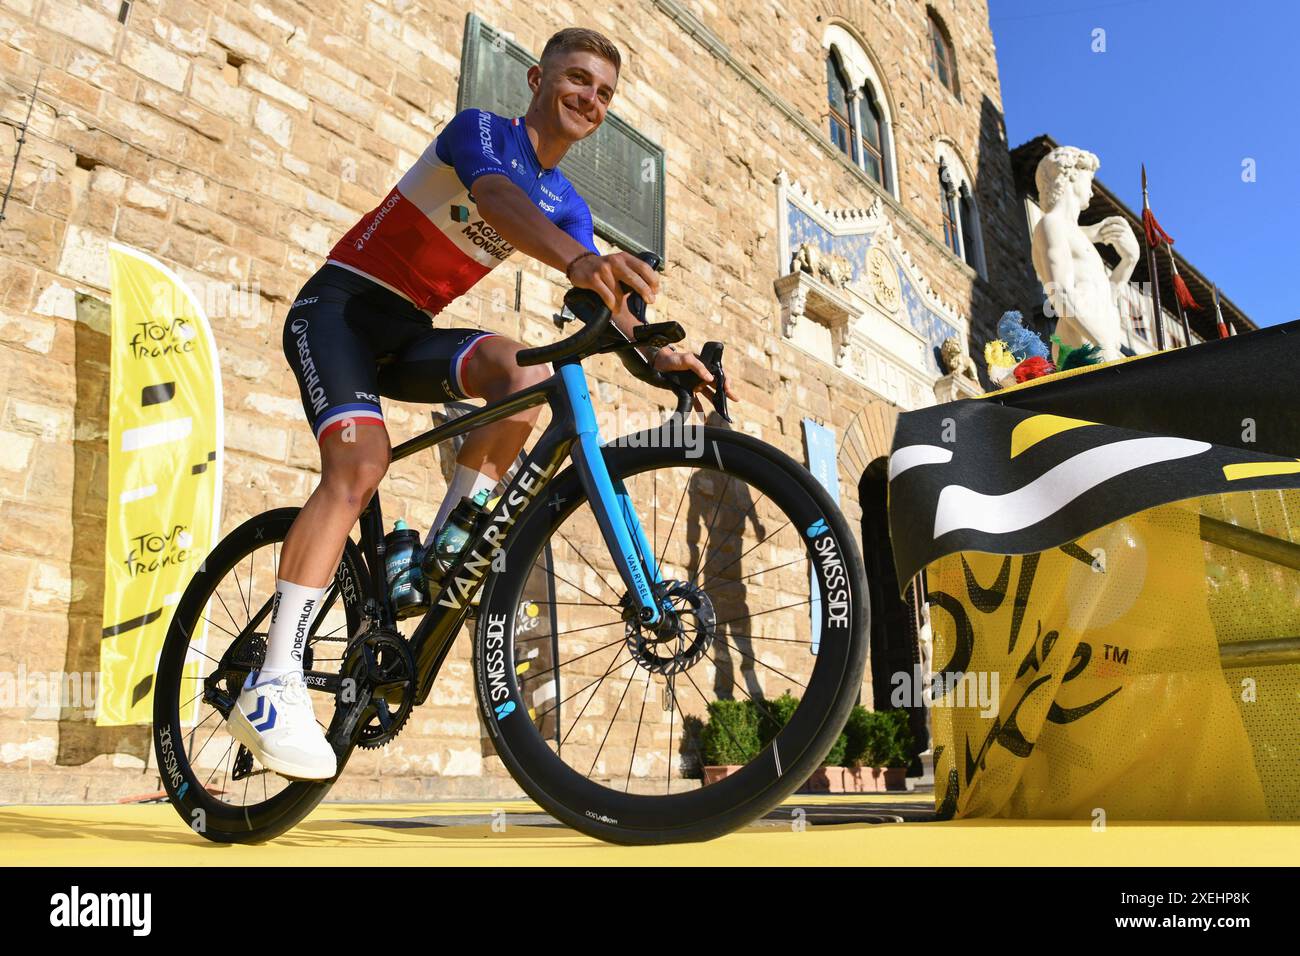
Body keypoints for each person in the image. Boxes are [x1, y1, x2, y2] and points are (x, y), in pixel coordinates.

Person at [226, 28, 737, 779]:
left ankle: (444, 552)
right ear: (537, 78)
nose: (589, 98)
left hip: (406, 335)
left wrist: (661, 354)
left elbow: (610, 304)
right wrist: (583, 259)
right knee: (360, 463)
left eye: (603, 92)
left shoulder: (568, 206)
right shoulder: (482, 134)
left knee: (524, 372)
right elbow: (495, 200)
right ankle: (272, 684)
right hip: (337, 312)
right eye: (576, 79)